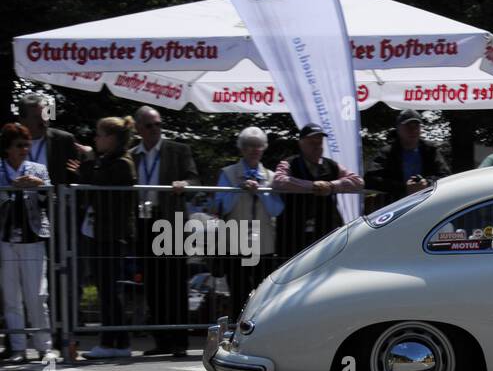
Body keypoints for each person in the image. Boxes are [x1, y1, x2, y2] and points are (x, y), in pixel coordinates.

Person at [131, 106, 199, 355]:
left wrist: (184, 184)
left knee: (175, 283)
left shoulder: (178, 150)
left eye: (158, 124)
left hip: (171, 223)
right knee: (152, 283)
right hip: (144, 222)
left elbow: (195, 179)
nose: (155, 129)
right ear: (138, 128)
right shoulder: (133, 155)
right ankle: (162, 340)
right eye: (149, 125)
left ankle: (179, 341)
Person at [72, 116, 137, 359]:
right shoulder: (108, 161)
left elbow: (99, 190)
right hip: (101, 232)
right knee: (106, 290)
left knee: (110, 290)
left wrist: (90, 162)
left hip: (112, 234)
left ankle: (113, 341)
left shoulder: (122, 163)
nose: (95, 139)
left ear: (111, 138)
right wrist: (90, 165)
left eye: (99, 135)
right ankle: (117, 342)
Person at [0, 123, 55, 363]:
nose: (24, 149)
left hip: (32, 238)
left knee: (37, 295)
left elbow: (51, 199)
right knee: (11, 296)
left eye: (27, 145)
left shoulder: (38, 169)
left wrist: (39, 185)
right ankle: (18, 348)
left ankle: (45, 347)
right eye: (19, 145)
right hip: (6, 239)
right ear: (7, 148)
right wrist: (9, 189)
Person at [214, 126, 284, 315]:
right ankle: (238, 330)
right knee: (238, 294)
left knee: (263, 296)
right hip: (235, 246)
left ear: (264, 148)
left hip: (264, 246)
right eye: (249, 145)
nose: (254, 150)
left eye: (258, 145)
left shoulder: (271, 177)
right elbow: (221, 207)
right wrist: (239, 189)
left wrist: (261, 192)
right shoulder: (227, 174)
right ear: (241, 148)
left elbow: (276, 210)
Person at [272, 123, 363, 257]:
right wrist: (312, 186)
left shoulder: (332, 165)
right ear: (301, 143)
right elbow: (278, 181)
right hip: (293, 231)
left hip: (325, 231)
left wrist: (331, 186)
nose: (316, 146)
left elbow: (358, 181)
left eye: (319, 142)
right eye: (311, 142)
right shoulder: (288, 163)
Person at [364, 109, 449, 203]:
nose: (413, 130)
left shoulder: (430, 150)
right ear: (398, 129)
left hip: (427, 203)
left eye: (416, 126)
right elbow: (370, 180)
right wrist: (404, 187)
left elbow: (445, 176)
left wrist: (427, 183)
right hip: (396, 205)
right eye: (408, 126)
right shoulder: (387, 152)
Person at [16, 93, 87, 186]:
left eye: (45, 114)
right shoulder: (9, 142)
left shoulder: (64, 140)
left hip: (54, 194)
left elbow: (76, 177)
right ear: (22, 120)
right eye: (36, 117)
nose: (43, 120)